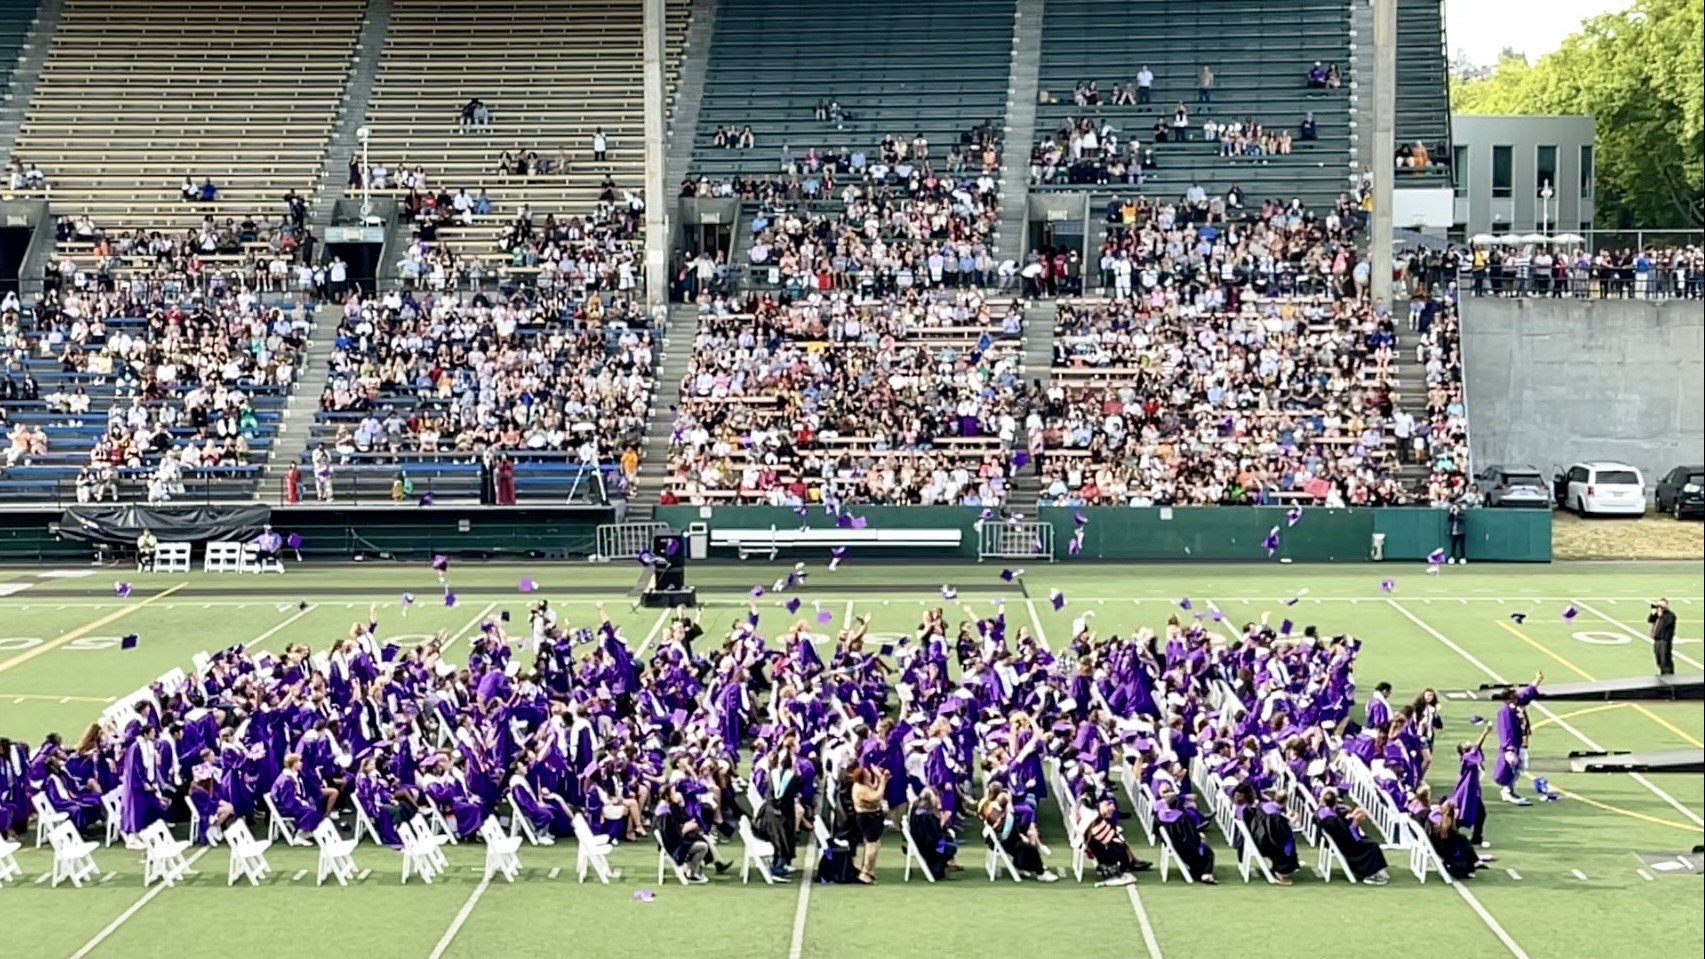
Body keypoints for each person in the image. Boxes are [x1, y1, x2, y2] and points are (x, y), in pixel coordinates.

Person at [1315, 787, 1390, 884]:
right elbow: (1349, 836)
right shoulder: (1331, 819)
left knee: (1368, 841)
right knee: (1372, 845)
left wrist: (1351, 817)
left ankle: (1378, 869)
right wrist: (1355, 821)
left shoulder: (1324, 813)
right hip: (1348, 846)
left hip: (1343, 841)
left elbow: (1343, 829)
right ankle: (1372, 874)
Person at [1231, 782, 1298, 883]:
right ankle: (1282, 872)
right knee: (1287, 842)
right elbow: (1278, 832)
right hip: (1262, 842)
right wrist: (1291, 821)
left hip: (1256, 837)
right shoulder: (1252, 809)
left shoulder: (1247, 807)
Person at [1079, 792, 1151, 886]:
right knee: (1120, 844)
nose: (1111, 807)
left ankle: (1132, 862)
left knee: (1120, 841)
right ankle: (1130, 863)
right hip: (1103, 853)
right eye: (1107, 804)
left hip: (1100, 848)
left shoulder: (1094, 819)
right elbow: (1107, 838)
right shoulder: (1096, 821)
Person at [906, 784, 959, 880]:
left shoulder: (916, 808)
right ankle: (938, 867)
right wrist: (942, 821)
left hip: (922, 842)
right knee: (951, 846)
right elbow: (935, 836)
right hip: (929, 847)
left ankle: (948, 862)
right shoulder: (928, 816)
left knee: (949, 837)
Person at [850, 763, 888, 883]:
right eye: (867, 773)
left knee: (875, 844)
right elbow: (876, 796)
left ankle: (870, 870)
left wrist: (879, 777)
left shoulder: (865, 785)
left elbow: (874, 788)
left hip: (873, 816)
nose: (869, 774)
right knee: (871, 844)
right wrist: (883, 781)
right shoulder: (859, 788)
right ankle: (864, 872)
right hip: (867, 817)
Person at [1649, 598, 1677, 675]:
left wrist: (1661, 616)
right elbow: (1650, 620)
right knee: (1659, 658)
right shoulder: (1657, 615)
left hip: (1664, 640)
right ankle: (1662, 672)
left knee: (1665, 659)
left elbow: (1667, 624)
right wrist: (1653, 614)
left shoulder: (1670, 616)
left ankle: (1668, 674)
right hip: (1657, 640)